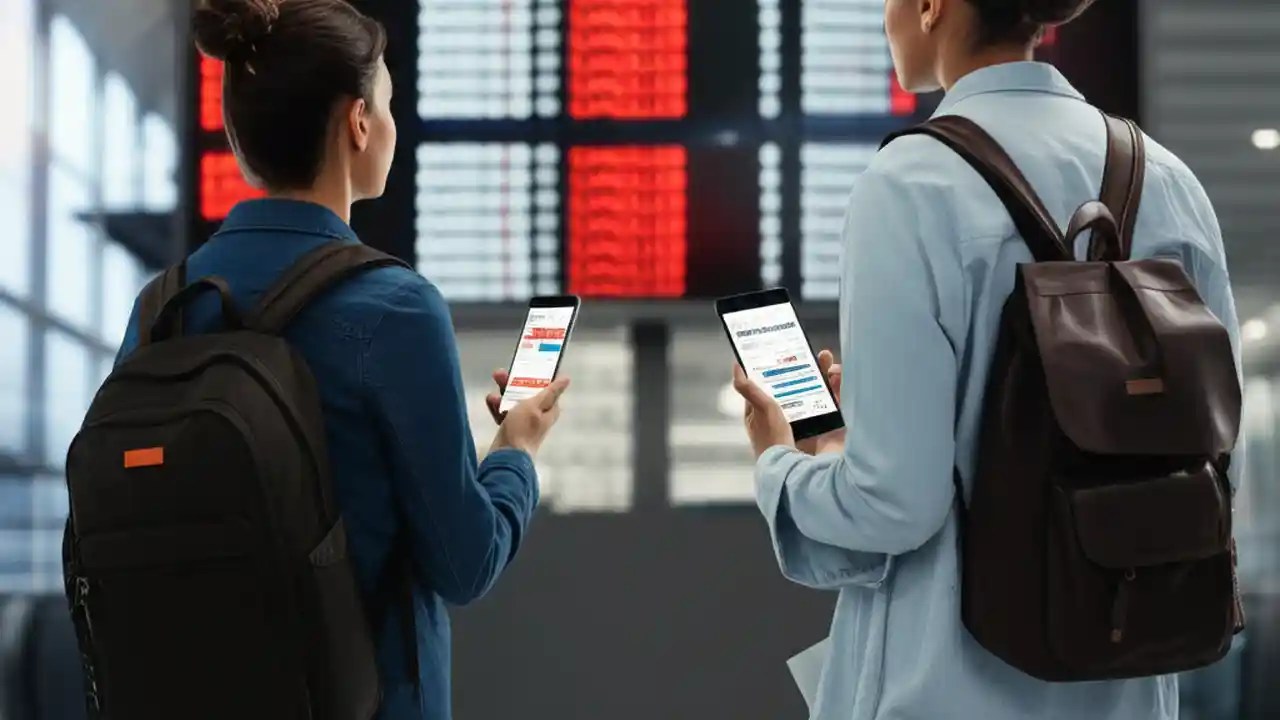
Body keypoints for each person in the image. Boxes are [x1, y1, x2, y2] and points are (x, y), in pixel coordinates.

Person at [732, 0, 1242, 718]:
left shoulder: (911, 183)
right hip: (1129, 691)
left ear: (933, 6)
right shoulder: (1169, 183)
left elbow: (894, 508)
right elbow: (1218, 466)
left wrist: (780, 464)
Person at [116, 2, 568, 719]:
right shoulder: (394, 307)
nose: (391, 122)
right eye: (387, 103)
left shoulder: (162, 307)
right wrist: (514, 450)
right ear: (359, 122)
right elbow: (465, 561)